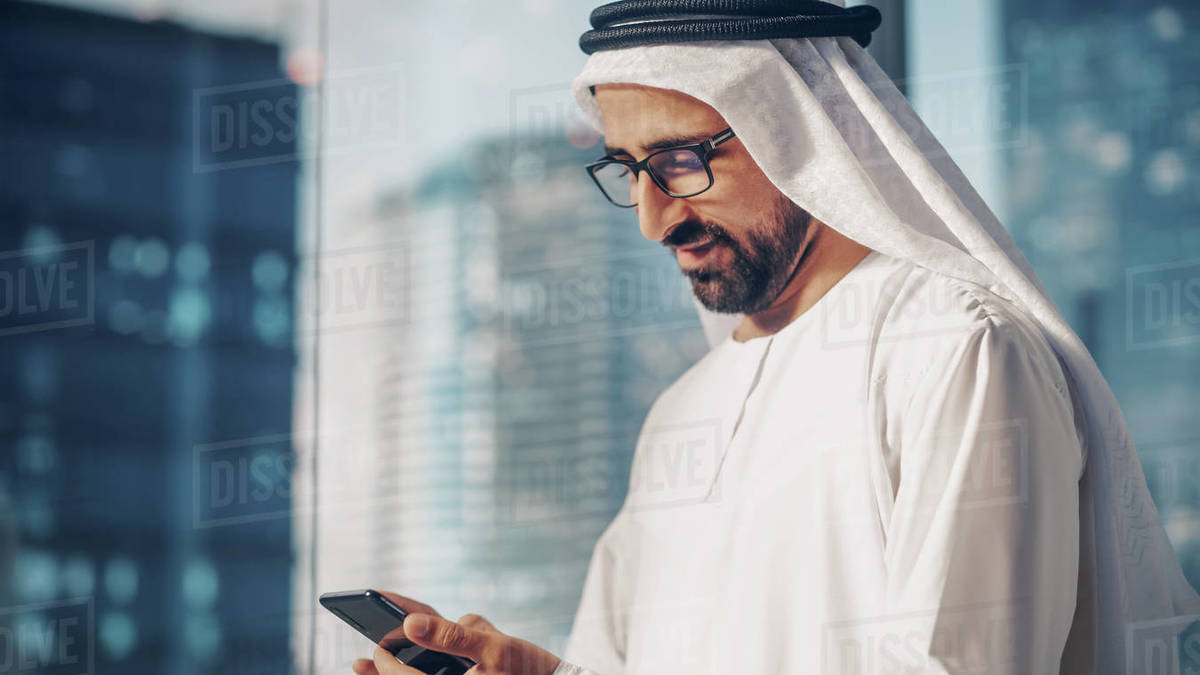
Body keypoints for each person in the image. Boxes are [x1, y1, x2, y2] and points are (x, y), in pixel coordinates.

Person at [351, 2, 1200, 674]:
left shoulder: (957, 350)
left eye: (681, 161)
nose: (653, 219)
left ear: (796, 129)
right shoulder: (679, 415)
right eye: (630, 170)